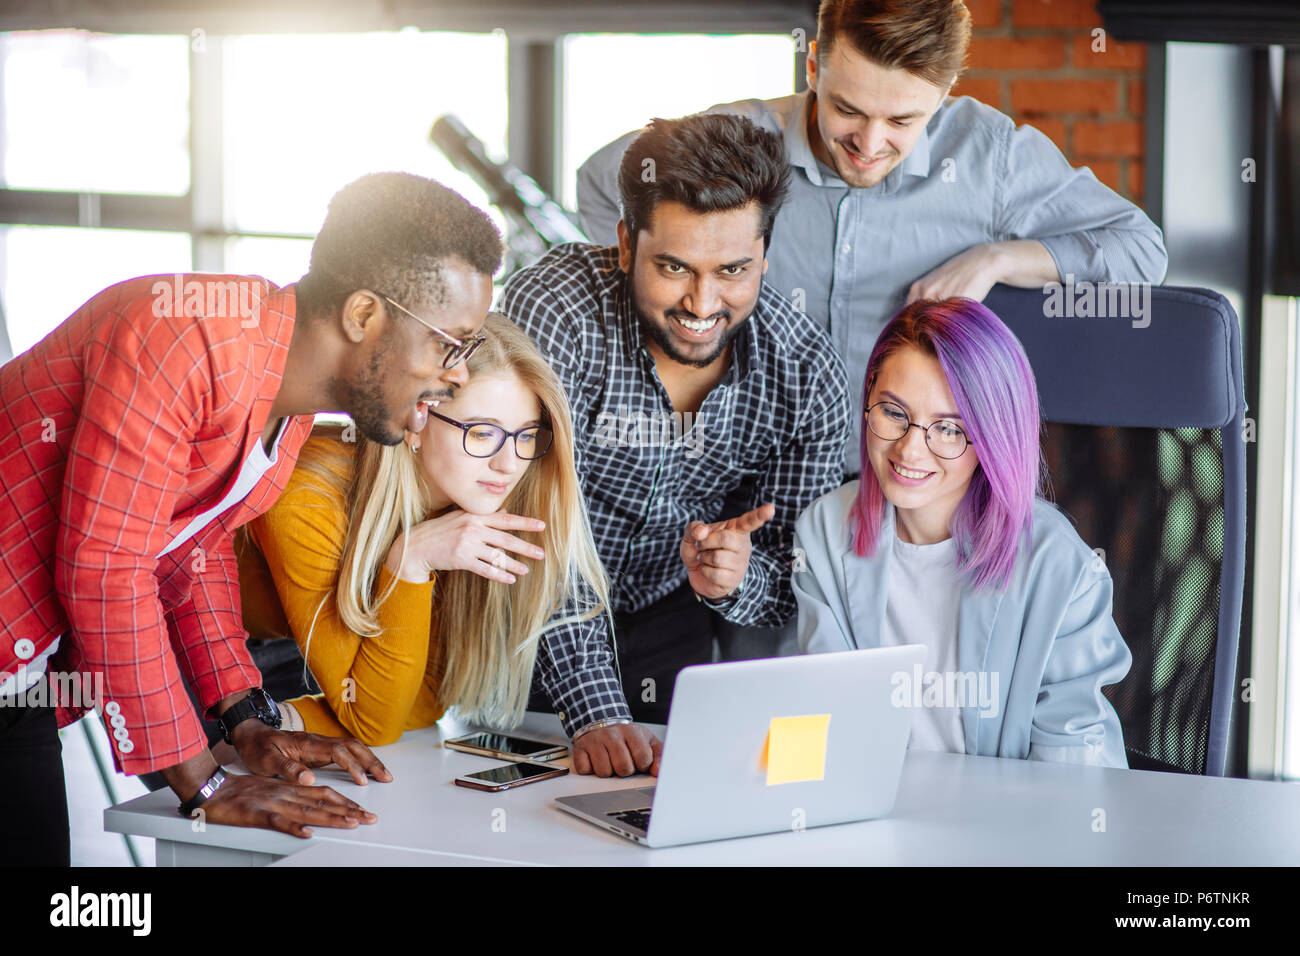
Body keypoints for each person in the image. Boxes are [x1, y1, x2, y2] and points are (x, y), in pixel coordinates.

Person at [0, 171, 502, 863]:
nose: (460, 375)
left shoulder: (284, 401)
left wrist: (242, 717)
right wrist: (201, 787)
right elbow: (107, 569)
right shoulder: (182, 336)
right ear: (363, 315)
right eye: (453, 343)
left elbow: (192, 551)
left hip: (19, 685)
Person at [576, 0, 1168, 475]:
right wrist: (679, 320)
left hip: (910, 485)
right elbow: (602, 183)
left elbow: (1140, 250)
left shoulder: (991, 157)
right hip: (749, 482)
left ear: (944, 93)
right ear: (813, 68)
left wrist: (999, 259)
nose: (869, 142)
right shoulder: (741, 138)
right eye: (847, 109)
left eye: (903, 121)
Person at [501, 111, 852, 774]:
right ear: (626, 244)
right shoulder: (556, 309)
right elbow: (529, 525)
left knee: (645, 815)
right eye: (675, 267)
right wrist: (597, 710)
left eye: (732, 270)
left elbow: (797, 578)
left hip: (670, 617)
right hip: (520, 613)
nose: (701, 302)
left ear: (765, 257)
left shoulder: (804, 373)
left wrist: (736, 579)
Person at [236, 315, 638, 769]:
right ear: (417, 417)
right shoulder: (308, 491)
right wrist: (410, 559)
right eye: (482, 433)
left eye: (526, 436)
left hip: (307, 688)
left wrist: (290, 717)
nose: (509, 464)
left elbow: (428, 700)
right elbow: (376, 722)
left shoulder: (464, 512)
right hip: (218, 676)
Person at [792, 297, 1131, 767]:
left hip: (1006, 825)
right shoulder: (824, 533)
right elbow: (826, 724)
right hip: (873, 817)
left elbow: (1074, 771)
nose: (910, 449)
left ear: (991, 437)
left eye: (949, 429)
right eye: (893, 411)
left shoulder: (1062, 568)